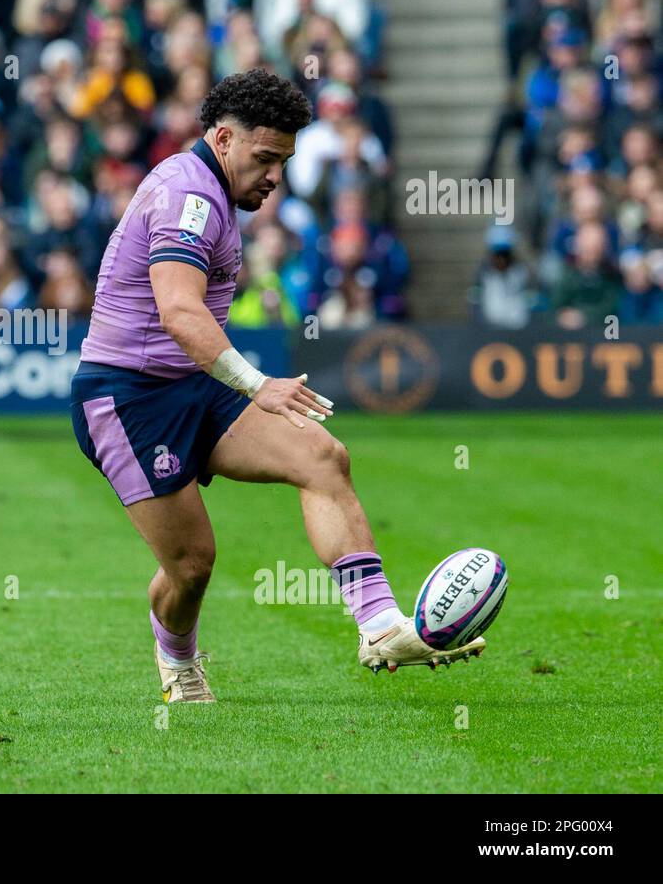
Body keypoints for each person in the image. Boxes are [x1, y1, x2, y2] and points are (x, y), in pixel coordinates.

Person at [70, 69, 486, 704]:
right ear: (224, 138)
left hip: (190, 382)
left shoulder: (211, 186)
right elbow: (180, 313)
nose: (274, 177)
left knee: (322, 455)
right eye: (265, 158)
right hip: (128, 399)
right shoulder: (193, 197)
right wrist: (255, 383)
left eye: (284, 162)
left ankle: (379, 628)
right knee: (191, 566)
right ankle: (178, 659)